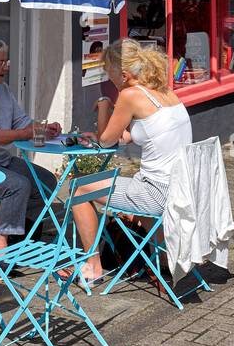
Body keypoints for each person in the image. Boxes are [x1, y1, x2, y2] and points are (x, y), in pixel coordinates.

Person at [69, 39, 192, 284]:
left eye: (109, 72)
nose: (108, 78)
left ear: (124, 74)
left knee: (79, 188)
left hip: (157, 192)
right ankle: (167, 258)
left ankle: (93, 266)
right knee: (133, 188)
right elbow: (133, 135)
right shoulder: (163, 91)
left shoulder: (129, 95)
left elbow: (106, 142)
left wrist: (104, 106)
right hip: (182, 188)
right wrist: (109, 133)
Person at [0, 38, 60, 254]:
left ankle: (17, 232)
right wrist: (29, 132)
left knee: (46, 181)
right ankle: (0, 242)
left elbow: (22, 122)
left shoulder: (2, 90)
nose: (6, 66)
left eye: (7, 61)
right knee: (18, 185)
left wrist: (44, 128)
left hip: (0, 160)